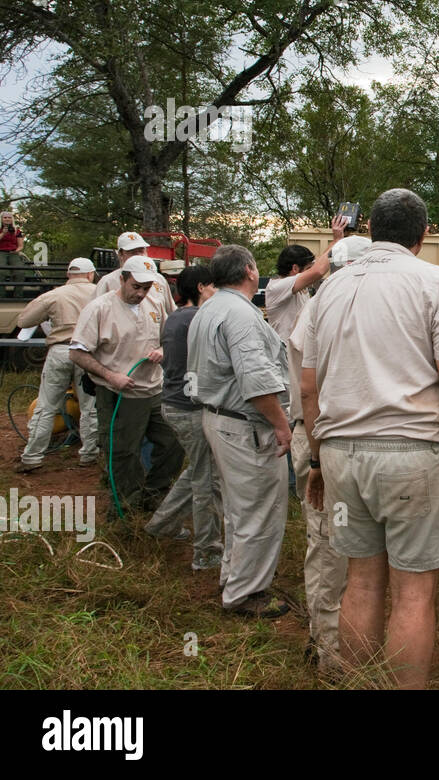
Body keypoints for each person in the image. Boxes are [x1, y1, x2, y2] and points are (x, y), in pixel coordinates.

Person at [302, 188, 439, 688]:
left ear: (370, 230)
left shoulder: (327, 290)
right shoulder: (436, 283)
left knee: (360, 582)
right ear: (423, 234)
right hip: (412, 455)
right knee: (414, 594)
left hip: (340, 455)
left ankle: (359, 684)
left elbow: (308, 389)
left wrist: (316, 462)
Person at [188, 245, 292, 618]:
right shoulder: (240, 314)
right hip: (245, 426)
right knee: (258, 511)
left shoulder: (210, 308)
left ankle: (234, 577)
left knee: (237, 508)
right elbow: (256, 381)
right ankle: (247, 594)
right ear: (250, 271)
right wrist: (281, 425)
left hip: (220, 419)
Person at [288, 236, 371, 675]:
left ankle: (338, 640)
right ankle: (328, 651)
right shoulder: (323, 312)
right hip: (322, 436)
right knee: (328, 545)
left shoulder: (332, 308)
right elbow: (311, 392)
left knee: (345, 544)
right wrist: (318, 460)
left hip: (336, 439)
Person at [69, 256, 183, 518]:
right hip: (118, 393)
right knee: (123, 451)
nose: (141, 293)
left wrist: (163, 350)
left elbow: (168, 338)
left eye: (146, 287)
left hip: (154, 389)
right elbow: (77, 352)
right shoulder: (99, 308)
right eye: (136, 287)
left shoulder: (154, 303)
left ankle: (152, 495)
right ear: (122, 279)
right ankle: (126, 510)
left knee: (173, 443)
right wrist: (110, 376)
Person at [143, 266, 224, 571]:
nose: (217, 292)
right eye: (214, 286)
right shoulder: (197, 319)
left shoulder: (176, 317)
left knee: (197, 470)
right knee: (207, 481)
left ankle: (161, 524)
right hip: (189, 409)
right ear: (201, 287)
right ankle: (207, 551)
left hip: (174, 404)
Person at [14, 258, 101, 473]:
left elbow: (23, 321)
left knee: (46, 406)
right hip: (89, 352)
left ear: (68, 275)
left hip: (60, 351)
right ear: (90, 274)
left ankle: (32, 456)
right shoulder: (101, 293)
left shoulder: (55, 295)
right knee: (90, 406)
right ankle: (89, 454)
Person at [265, 216, 347, 342]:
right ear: (295, 268)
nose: (310, 272)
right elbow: (318, 271)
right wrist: (338, 241)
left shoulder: (297, 287)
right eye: (308, 268)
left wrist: (336, 240)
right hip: (285, 351)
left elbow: (318, 264)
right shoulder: (277, 287)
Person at [94, 232, 175, 317]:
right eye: (132, 252)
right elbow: (95, 313)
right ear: (120, 254)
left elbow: (171, 312)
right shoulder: (107, 282)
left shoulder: (159, 279)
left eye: (141, 251)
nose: (138, 256)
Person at [0, 210, 25, 299]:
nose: (7, 219)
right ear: (1, 219)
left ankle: (18, 296)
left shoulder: (17, 231)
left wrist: (16, 251)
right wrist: (3, 233)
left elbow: (21, 246)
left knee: (20, 272)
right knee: (0, 272)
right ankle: (0, 296)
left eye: (9, 217)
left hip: (13, 252)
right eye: (5, 217)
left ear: (12, 219)